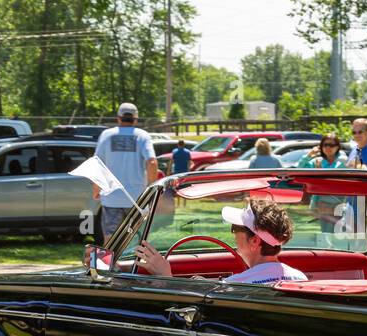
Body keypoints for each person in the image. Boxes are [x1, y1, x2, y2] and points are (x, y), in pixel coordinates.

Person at [135, 199, 307, 284]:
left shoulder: (236, 286)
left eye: (235, 229)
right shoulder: (300, 278)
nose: (233, 235)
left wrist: (165, 276)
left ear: (254, 241)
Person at [94, 103, 157, 240]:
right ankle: (134, 262)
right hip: (136, 199)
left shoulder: (106, 135)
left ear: (118, 118)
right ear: (135, 119)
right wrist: (152, 189)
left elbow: (97, 164)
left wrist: (96, 188)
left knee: (110, 239)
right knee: (137, 238)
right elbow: (152, 162)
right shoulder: (143, 136)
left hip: (111, 198)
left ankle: (111, 262)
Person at [301, 132, 346, 232]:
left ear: (337, 147)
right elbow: (299, 168)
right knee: (326, 235)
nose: (328, 148)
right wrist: (309, 155)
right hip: (321, 205)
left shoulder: (343, 162)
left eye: (332, 145)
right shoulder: (317, 162)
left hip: (339, 205)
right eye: (325, 145)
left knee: (337, 235)